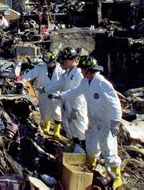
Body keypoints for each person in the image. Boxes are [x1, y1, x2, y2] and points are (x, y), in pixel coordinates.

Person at [51, 56, 123, 188]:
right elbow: (75, 92)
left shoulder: (102, 83)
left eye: (83, 70)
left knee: (108, 148)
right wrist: (61, 95)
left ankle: (116, 177)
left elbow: (115, 103)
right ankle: (91, 166)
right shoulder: (85, 82)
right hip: (94, 121)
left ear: (89, 71)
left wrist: (115, 122)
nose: (82, 72)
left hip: (106, 122)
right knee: (91, 144)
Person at [21, 51, 64, 136]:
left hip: (56, 93)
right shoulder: (40, 67)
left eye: (50, 62)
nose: (48, 64)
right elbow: (30, 74)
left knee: (57, 112)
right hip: (43, 93)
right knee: (45, 110)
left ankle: (56, 131)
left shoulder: (60, 69)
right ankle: (47, 126)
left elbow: (63, 82)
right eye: (46, 62)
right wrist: (22, 80)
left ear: (54, 61)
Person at [54, 47, 88, 146]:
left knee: (81, 129)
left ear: (73, 60)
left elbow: (81, 92)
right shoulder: (68, 73)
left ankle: (86, 152)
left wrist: (76, 108)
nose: (62, 64)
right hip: (69, 105)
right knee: (73, 130)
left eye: (64, 61)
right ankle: (77, 148)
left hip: (77, 108)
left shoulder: (78, 73)